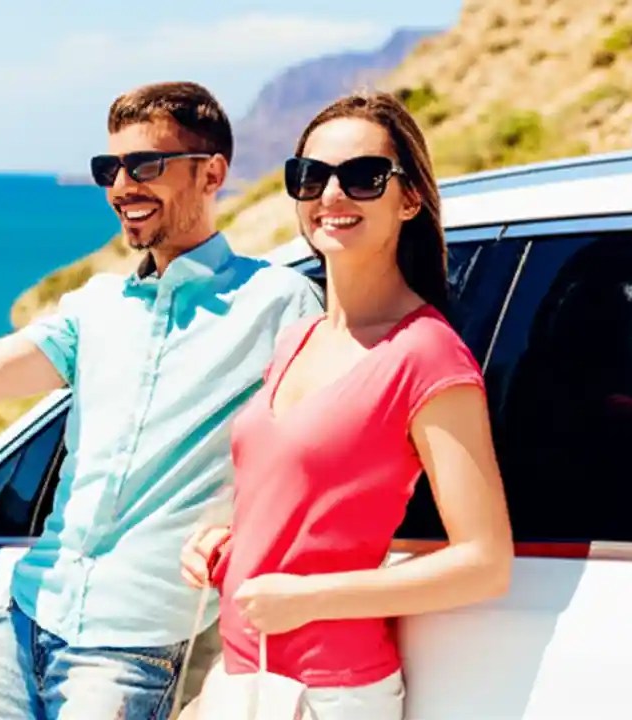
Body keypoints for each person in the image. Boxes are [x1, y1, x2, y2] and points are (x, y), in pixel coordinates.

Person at [0, 80, 323, 719]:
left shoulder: (278, 303)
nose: (122, 186)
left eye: (146, 166)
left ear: (212, 172)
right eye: (110, 168)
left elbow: (317, 460)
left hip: (135, 647)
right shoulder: (95, 307)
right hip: (27, 618)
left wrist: (238, 530)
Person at [179, 90, 514, 719]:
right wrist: (223, 542)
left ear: (409, 198)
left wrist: (309, 599)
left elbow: (485, 562)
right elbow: (300, 504)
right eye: (311, 176)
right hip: (246, 677)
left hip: (327, 693)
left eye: (362, 177)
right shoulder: (296, 340)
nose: (331, 195)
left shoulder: (427, 356)